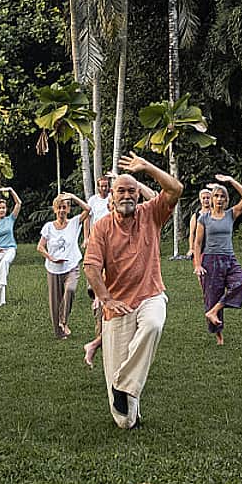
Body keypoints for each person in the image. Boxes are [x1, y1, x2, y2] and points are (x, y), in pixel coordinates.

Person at [83, 151, 182, 429]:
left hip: (151, 295)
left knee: (152, 325)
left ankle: (124, 386)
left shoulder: (151, 213)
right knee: (123, 421)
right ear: (111, 197)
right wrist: (106, 298)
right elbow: (91, 266)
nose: (127, 195)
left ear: (138, 195)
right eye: (121, 191)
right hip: (117, 307)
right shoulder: (101, 227)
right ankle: (130, 412)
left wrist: (147, 167)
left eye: (132, 191)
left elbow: (175, 189)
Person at [192, 175, 242, 345]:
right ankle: (219, 336)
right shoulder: (204, 218)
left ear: (226, 200)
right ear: (211, 200)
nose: (219, 199)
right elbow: (197, 243)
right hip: (210, 260)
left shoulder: (230, 214)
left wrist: (231, 181)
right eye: (216, 196)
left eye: (223, 197)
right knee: (212, 296)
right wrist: (197, 264)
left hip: (230, 259)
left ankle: (215, 310)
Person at [38, 192, 90, 339]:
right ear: (55, 210)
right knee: (55, 302)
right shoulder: (48, 227)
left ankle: (64, 321)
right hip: (53, 268)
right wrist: (50, 257)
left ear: (68, 209)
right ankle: (59, 332)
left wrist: (72, 197)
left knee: (71, 289)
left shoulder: (74, 223)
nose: (61, 210)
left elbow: (88, 209)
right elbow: (40, 247)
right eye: (59, 207)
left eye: (64, 207)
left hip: (71, 266)